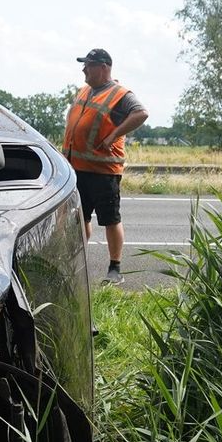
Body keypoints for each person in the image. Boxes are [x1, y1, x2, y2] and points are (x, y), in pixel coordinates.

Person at [62, 48, 148, 285]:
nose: (83, 70)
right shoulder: (85, 91)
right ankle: (76, 262)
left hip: (103, 172)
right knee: (80, 218)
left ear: (103, 68)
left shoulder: (119, 94)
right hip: (77, 168)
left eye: (88, 65)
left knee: (110, 219)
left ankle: (115, 268)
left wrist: (113, 136)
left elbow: (141, 113)